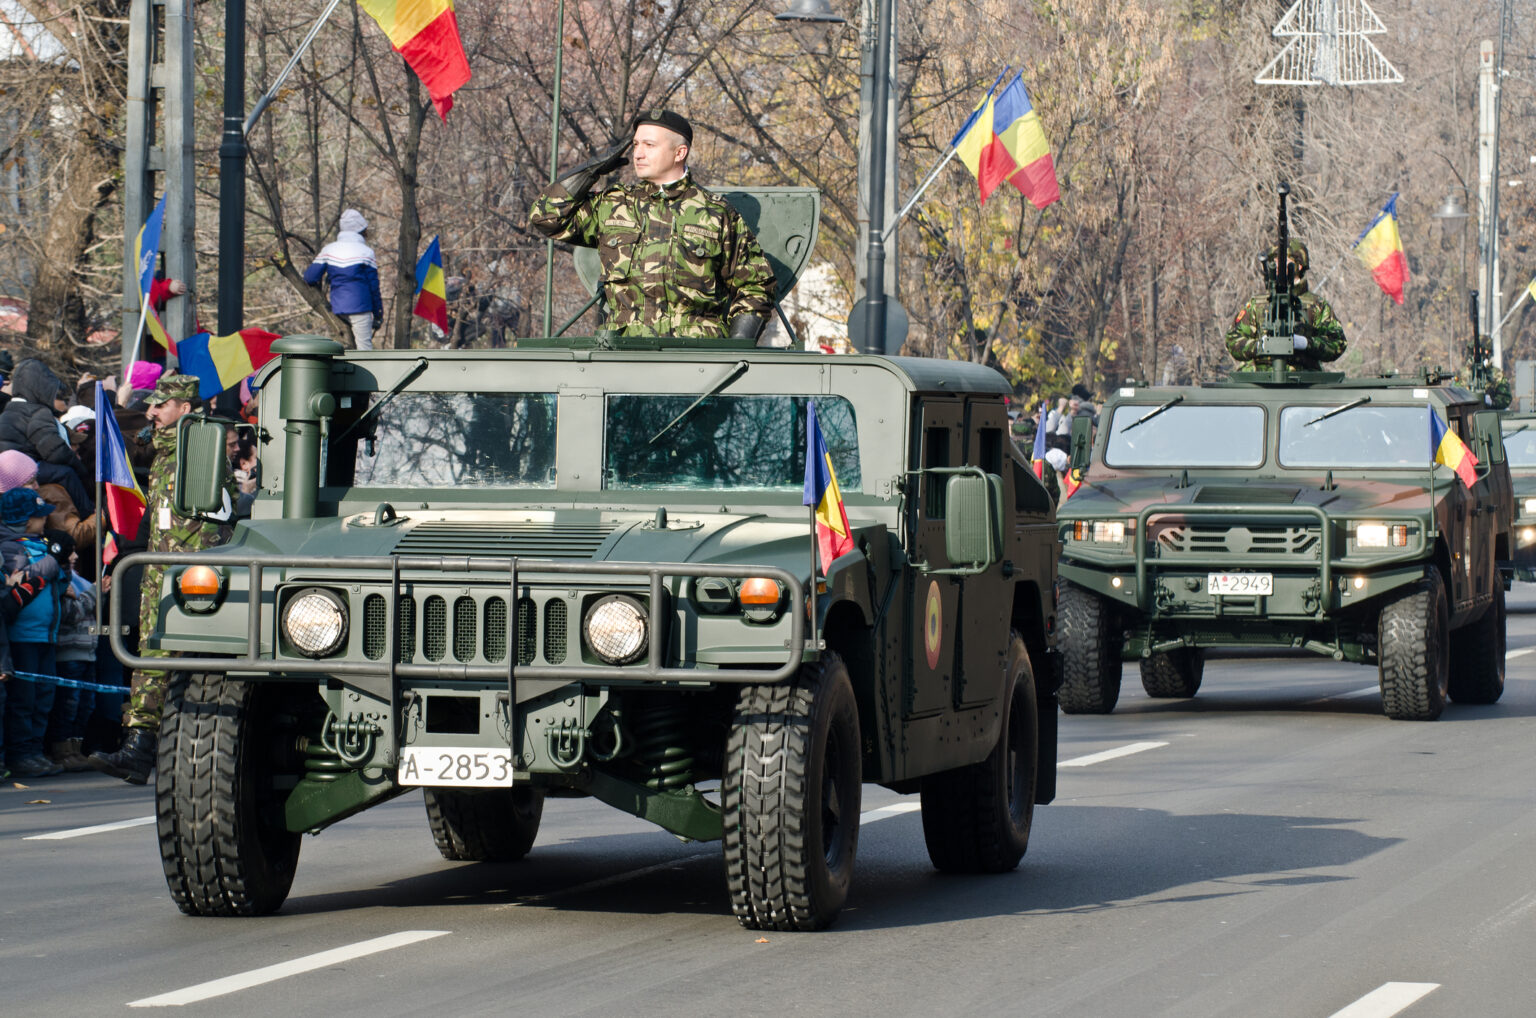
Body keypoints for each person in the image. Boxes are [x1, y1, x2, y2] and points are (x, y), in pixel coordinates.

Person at [529, 109, 777, 340]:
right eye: (636, 145)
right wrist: (590, 170)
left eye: (649, 145)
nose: (637, 153)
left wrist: (735, 347)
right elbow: (546, 217)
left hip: (697, 355)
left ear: (679, 153)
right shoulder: (614, 205)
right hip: (626, 351)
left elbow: (755, 285)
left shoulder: (716, 213)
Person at [89, 373, 224, 784]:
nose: (152, 412)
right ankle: (141, 748)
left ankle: (153, 747)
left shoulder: (198, 444)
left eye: (161, 405)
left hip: (186, 576)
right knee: (153, 658)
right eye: (152, 404)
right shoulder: (169, 448)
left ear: (185, 409)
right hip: (162, 569)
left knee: (169, 660)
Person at [0, 488, 64, 778]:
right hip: (23, 636)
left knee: (43, 697)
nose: (45, 521)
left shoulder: (42, 544)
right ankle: (20, 753)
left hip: (46, 635)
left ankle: (36, 750)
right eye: (40, 517)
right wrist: (53, 561)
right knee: (23, 699)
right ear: (26, 521)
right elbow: (19, 581)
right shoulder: (10, 547)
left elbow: (56, 581)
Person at [1225, 240, 1346, 371]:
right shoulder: (1257, 304)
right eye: (1274, 261)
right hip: (1261, 381)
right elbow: (1233, 341)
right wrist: (1260, 346)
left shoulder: (1317, 305)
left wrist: (1305, 343)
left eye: (1282, 261)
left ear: (1299, 265)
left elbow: (1337, 343)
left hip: (1304, 383)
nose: (1277, 265)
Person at [0, 358, 94, 511]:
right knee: (67, 473)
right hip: (28, 470)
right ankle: (89, 512)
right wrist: (80, 468)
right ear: (40, 387)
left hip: (7, 474)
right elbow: (55, 452)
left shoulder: (8, 411)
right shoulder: (37, 412)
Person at [304, 208, 383, 350]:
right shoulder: (366, 252)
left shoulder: (329, 249)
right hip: (361, 308)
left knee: (343, 349)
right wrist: (378, 313)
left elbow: (310, 277)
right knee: (365, 350)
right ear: (360, 231)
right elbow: (373, 287)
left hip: (338, 308)